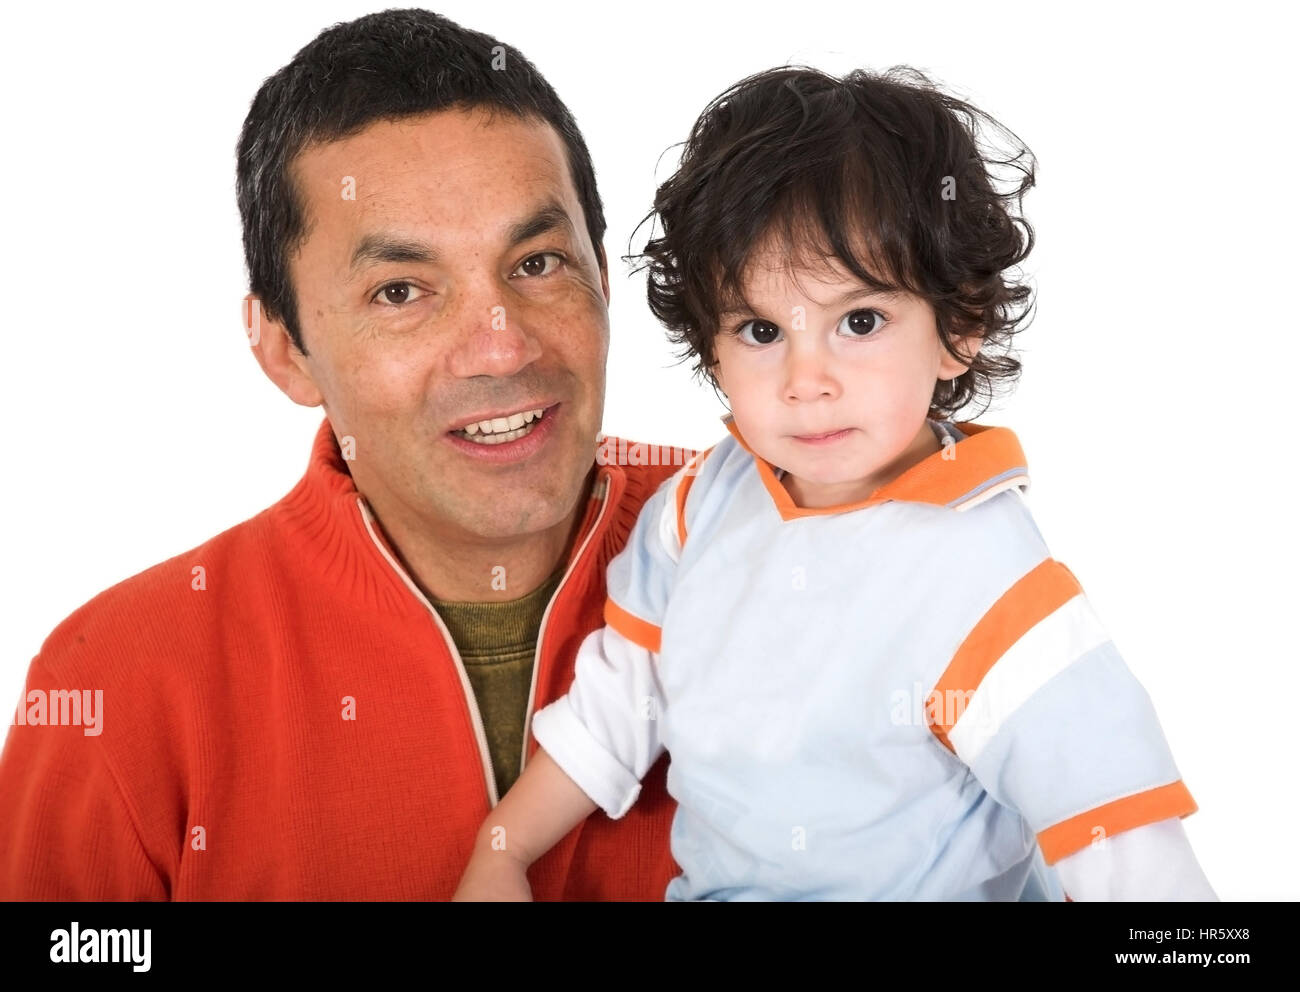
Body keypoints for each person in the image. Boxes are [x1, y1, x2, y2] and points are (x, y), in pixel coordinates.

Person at [453, 66, 1219, 901]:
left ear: (957, 326)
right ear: (712, 347)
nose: (805, 379)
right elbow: (615, 710)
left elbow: (1119, 834)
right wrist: (503, 850)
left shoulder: (983, 577)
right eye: (760, 330)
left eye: (859, 322)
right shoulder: (696, 508)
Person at [0, 9, 684, 900]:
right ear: (284, 349)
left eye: (539, 263)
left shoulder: (804, 538)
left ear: (601, 270)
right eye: (401, 290)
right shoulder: (115, 690)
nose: (503, 347)